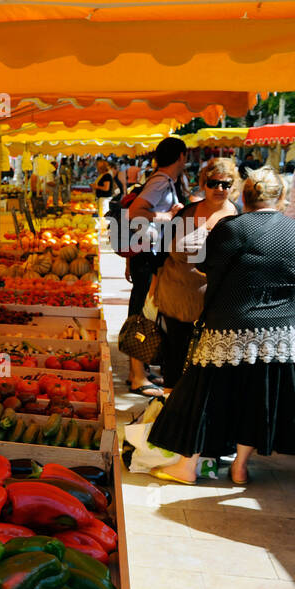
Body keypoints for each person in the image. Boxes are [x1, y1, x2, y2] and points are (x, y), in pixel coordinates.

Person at [146, 169, 295, 485]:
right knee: (258, 397)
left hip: (233, 325)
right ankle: (240, 467)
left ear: (244, 197)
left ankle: (187, 467)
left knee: (204, 394)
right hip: (287, 333)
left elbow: (203, 266)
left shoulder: (232, 228)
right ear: (282, 198)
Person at [150, 159, 239, 391]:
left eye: (226, 184)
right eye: (213, 183)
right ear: (203, 184)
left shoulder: (239, 218)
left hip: (215, 305)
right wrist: (153, 285)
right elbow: (160, 252)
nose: (219, 189)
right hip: (175, 299)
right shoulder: (186, 213)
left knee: (207, 361)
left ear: (234, 185)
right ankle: (169, 406)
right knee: (173, 356)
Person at [124, 136, 187, 398]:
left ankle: (141, 369)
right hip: (148, 256)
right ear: (181, 156)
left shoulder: (160, 180)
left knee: (144, 311)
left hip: (146, 255)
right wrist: (168, 216)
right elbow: (136, 211)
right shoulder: (161, 181)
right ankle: (137, 375)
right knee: (142, 314)